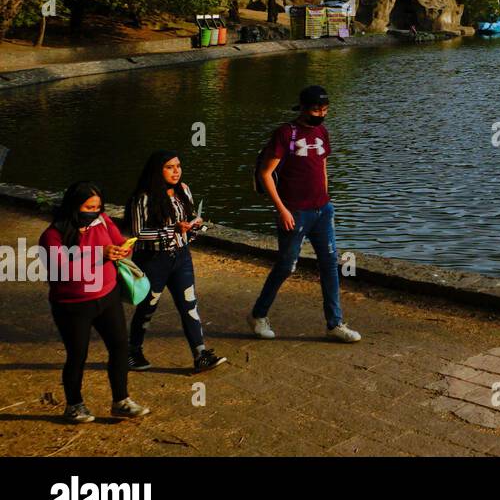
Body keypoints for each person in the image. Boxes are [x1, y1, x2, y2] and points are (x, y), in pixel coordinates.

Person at [249, 85, 361, 342]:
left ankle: (334, 323)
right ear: (302, 107)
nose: (320, 114)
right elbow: (265, 174)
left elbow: (322, 166)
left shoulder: (322, 131)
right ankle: (258, 314)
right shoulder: (285, 134)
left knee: (330, 265)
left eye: (324, 110)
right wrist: (282, 209)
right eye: (315, 109)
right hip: (295, 212)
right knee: (287, 266)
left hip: (323, 210)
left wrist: (326, 198)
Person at [39, 182, 150, 423]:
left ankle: (121, 401)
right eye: (89, 206)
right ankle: (74, 404)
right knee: (77, 354)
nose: (94, 211)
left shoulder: (102, 221)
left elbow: (118, 241)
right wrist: (99, 254)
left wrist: (122, 249)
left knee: (120, 346)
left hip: (107, 296)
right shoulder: (52, 235)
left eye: (98, 206)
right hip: (73, 304)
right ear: (73, 206)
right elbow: (62, 270)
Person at [124, 151, 227, 373]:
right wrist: (172, 230)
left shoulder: (184, 190)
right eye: (169, 167)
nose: (176, 171)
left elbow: (187, 224)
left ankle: (200, 354)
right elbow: (138, 233)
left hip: (181, 257)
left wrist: (195, 227)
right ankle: (133, 351)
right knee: (147, 307)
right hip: (152, 260)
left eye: (178, 166)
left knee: (189, 305)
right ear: (156, 170)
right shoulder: (142, 197)